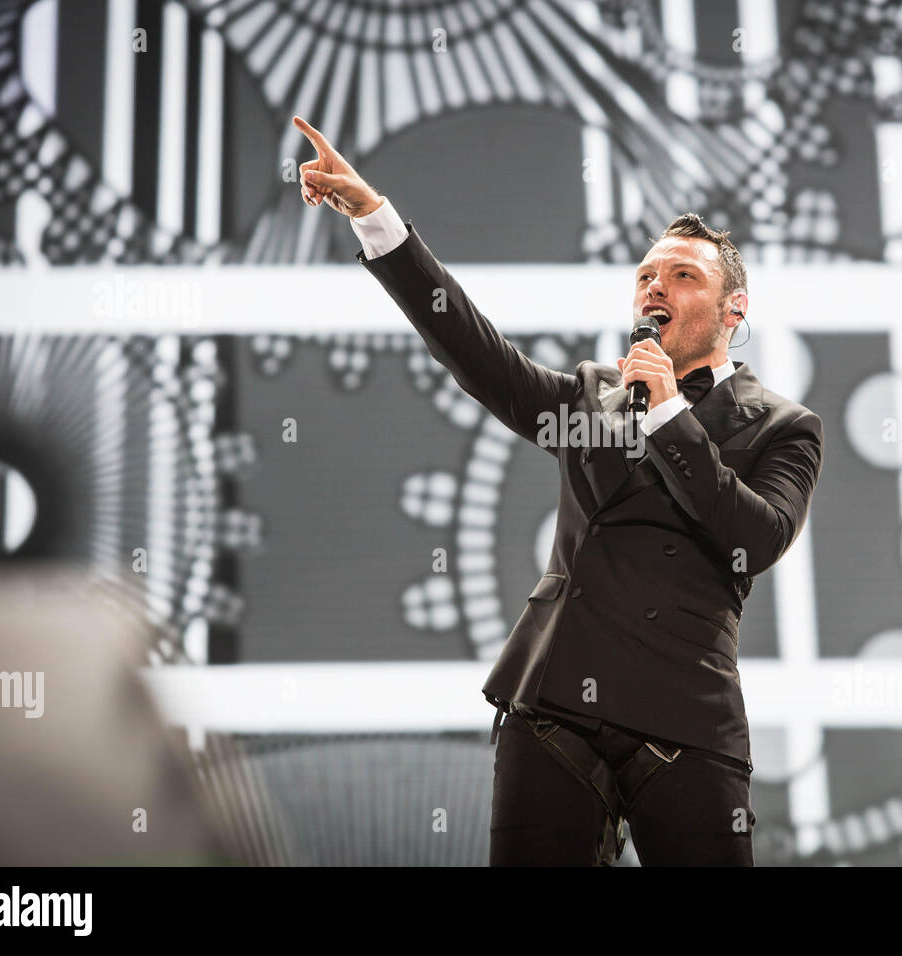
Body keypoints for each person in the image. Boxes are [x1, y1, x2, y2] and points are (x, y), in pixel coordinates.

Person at [293, 115, 824, 866]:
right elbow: (478, 356)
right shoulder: (591, 398)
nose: (654, 288)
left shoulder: (782, 425)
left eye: (682, 276)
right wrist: (379, 222)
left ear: (735, 311)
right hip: (555, 705)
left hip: (684, 715)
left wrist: (671, 412)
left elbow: (757, 538)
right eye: (645, 275)